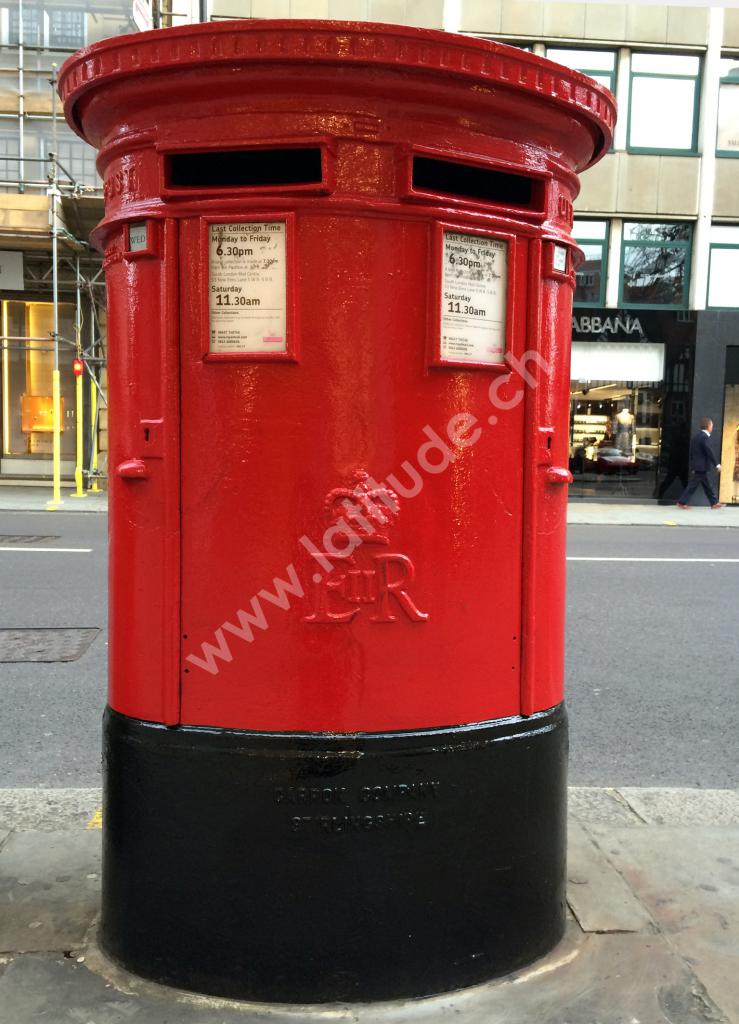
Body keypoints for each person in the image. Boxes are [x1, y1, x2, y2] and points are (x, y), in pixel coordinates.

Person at [677, 417, 725, 509]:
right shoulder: (704, 437)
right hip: (701, 467)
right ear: (709, 426)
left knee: (707, 485)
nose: (712, 427)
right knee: (693, 486)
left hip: (698, 466)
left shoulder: (696, 436)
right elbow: (709, 451)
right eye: (712, 425)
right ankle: (681, 502)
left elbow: (692, 453)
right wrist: (717, 464)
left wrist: (693, 465)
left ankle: (714, 503)